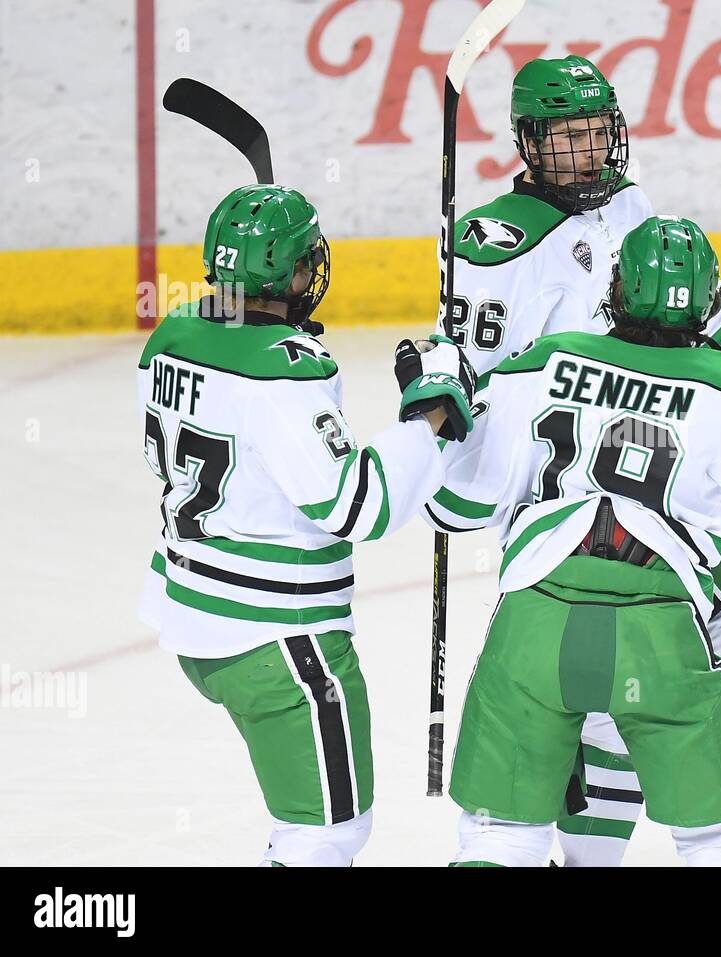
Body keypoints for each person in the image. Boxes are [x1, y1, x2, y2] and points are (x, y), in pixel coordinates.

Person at [439, 54, 721, 864]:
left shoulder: (625, 202)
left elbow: (688, 309)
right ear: (529, 142)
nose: (589, 151)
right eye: (568, 137)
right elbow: (482, 390)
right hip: (562, 493)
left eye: (599, 132)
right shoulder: (495, 247)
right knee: (611, 689)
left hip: (653, 481)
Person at [136, 183, 475, 865]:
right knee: (327, 831)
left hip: (195, 623)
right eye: (304, 260)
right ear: (289, 273)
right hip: (279, 640)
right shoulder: (287, 371)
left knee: (313, 821)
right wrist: (434, 412)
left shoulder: (169, 335)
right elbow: (357, 505)